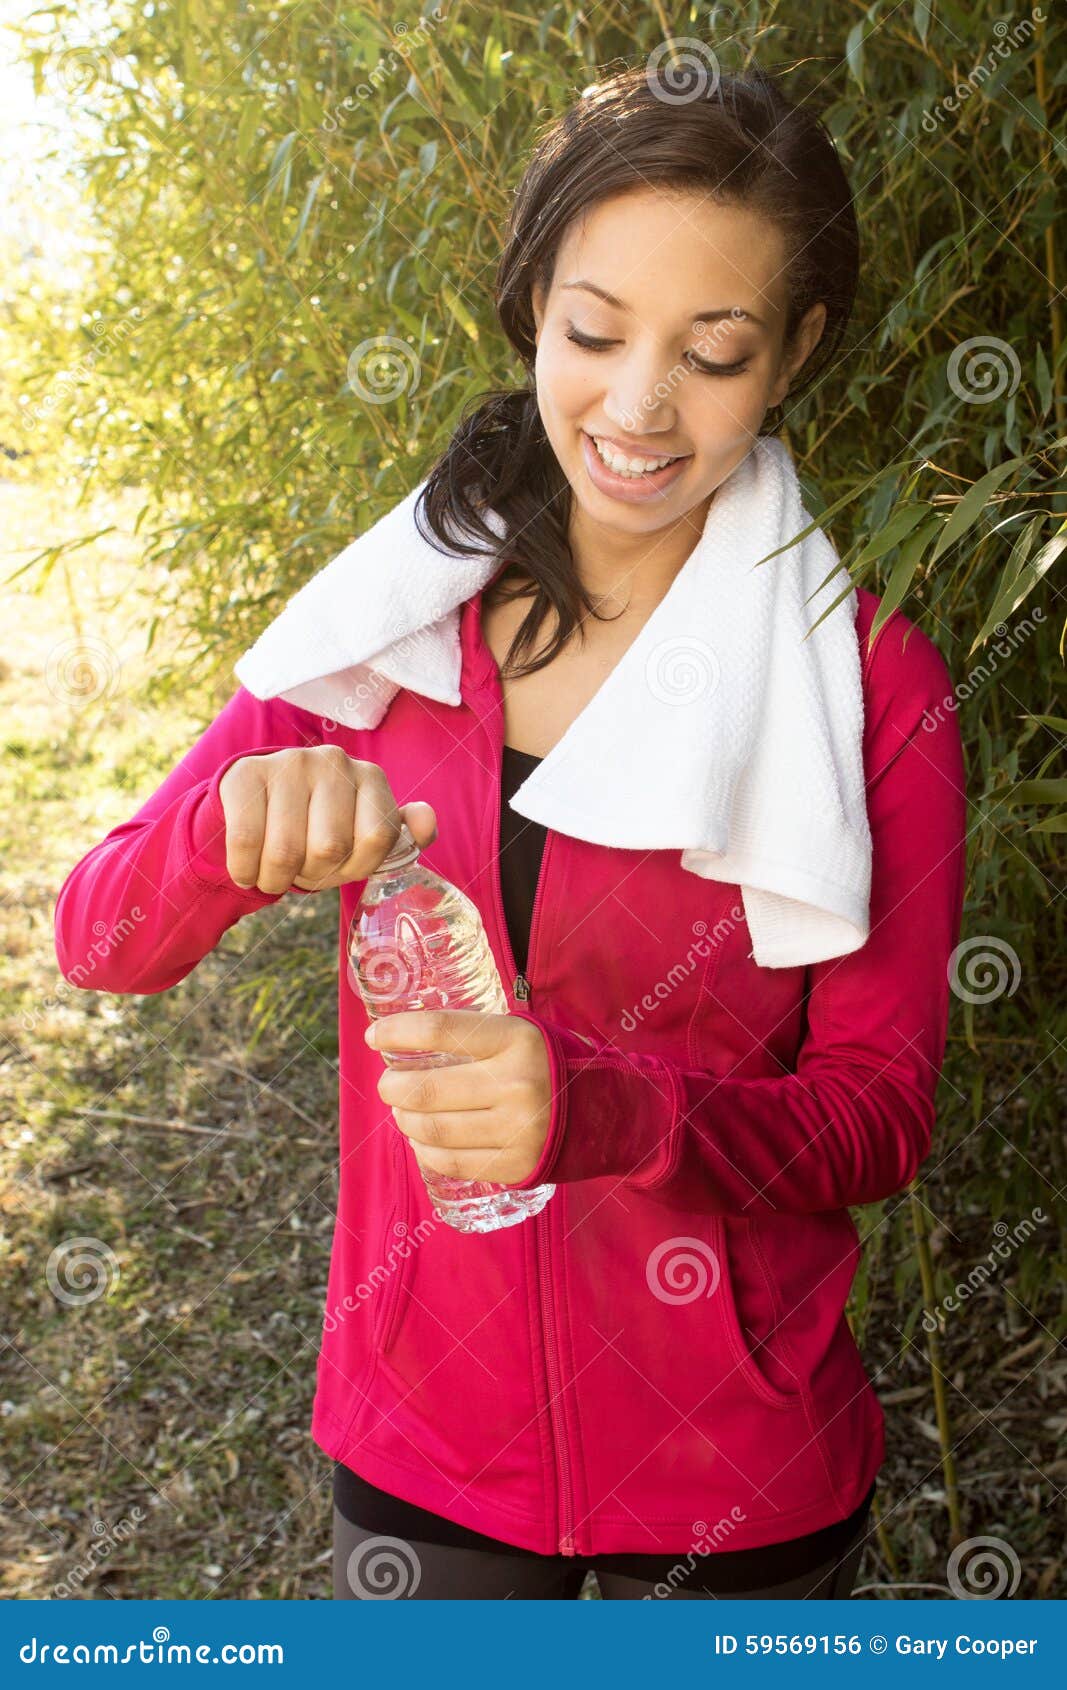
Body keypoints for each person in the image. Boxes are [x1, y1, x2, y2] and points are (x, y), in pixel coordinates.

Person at [54, 62, 967, 1600]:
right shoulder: (387, 636)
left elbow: (877, 1114)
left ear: (797, 351)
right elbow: (102, 935)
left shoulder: (870, 687)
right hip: (427, 1451)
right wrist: (223, 832)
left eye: (716, 353)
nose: (637, 408)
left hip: (737, 1485)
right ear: (535, 300)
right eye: (596, 333)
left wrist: (612, 1110)